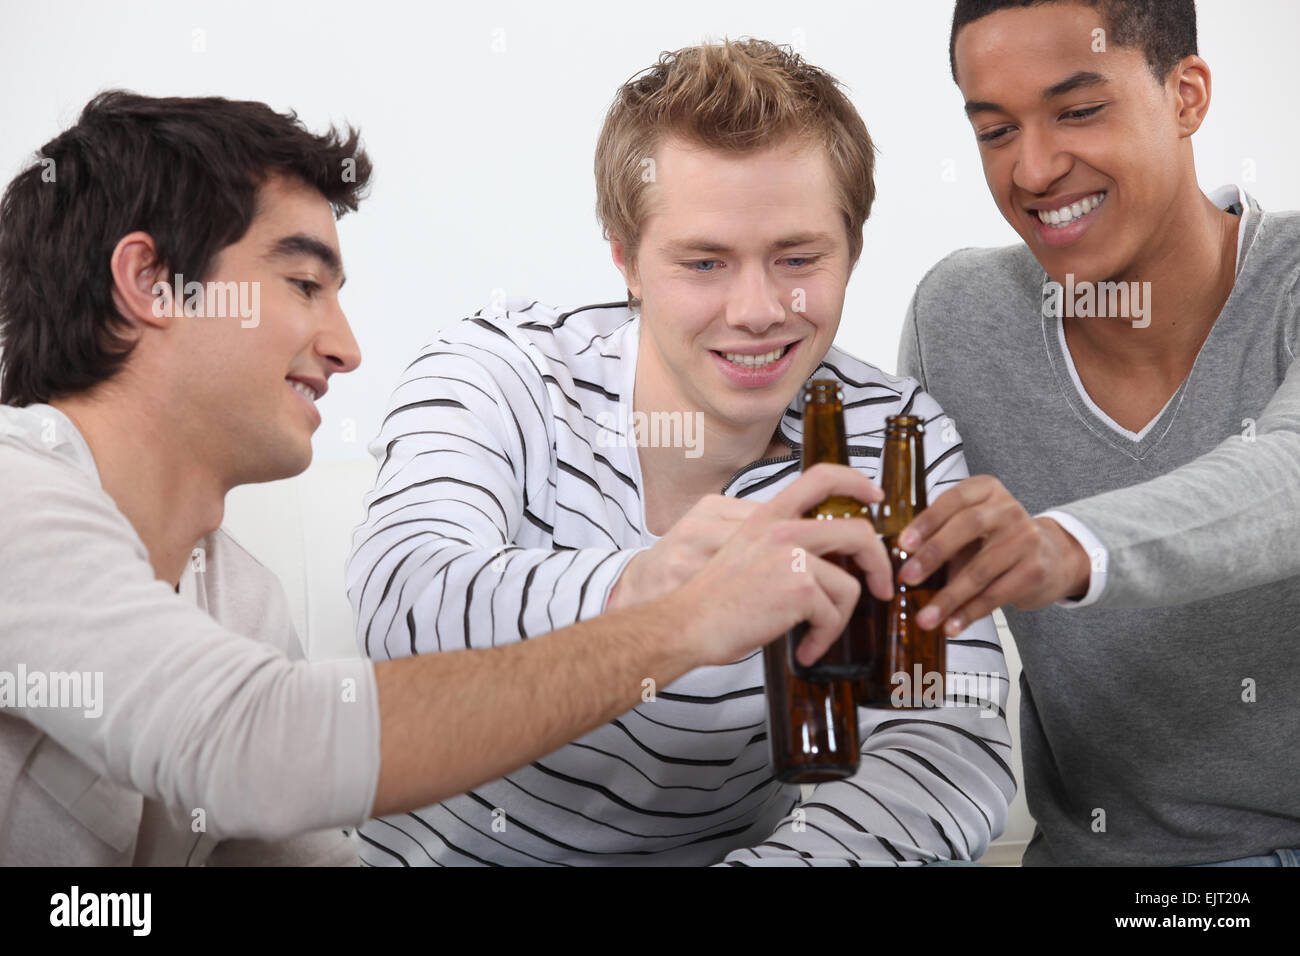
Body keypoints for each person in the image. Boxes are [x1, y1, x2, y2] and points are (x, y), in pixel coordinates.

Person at [0, 91, 884, 866]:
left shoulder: (238, 602)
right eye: (304, 283)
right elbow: (255, 745)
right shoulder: (14, 492)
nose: (347, 348)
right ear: (152, 282)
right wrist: (679, 620)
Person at [347, 38, 1016, 866]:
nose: (757, 310)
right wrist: (654, 590)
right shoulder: (503, 371)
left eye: (798, 258)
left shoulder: (895, 435)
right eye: (704, 262)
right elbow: (401, 600)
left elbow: (947, 741)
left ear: (853, 251)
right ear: (625, 259)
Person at [896, 0, 1300, 865]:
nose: (1034, 169)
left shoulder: (1291, 284)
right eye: (996, 131)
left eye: (1078, 111)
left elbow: (1289, 476)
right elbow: (920, 650)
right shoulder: (958, 319)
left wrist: (1065, 547)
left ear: (1186, 96)